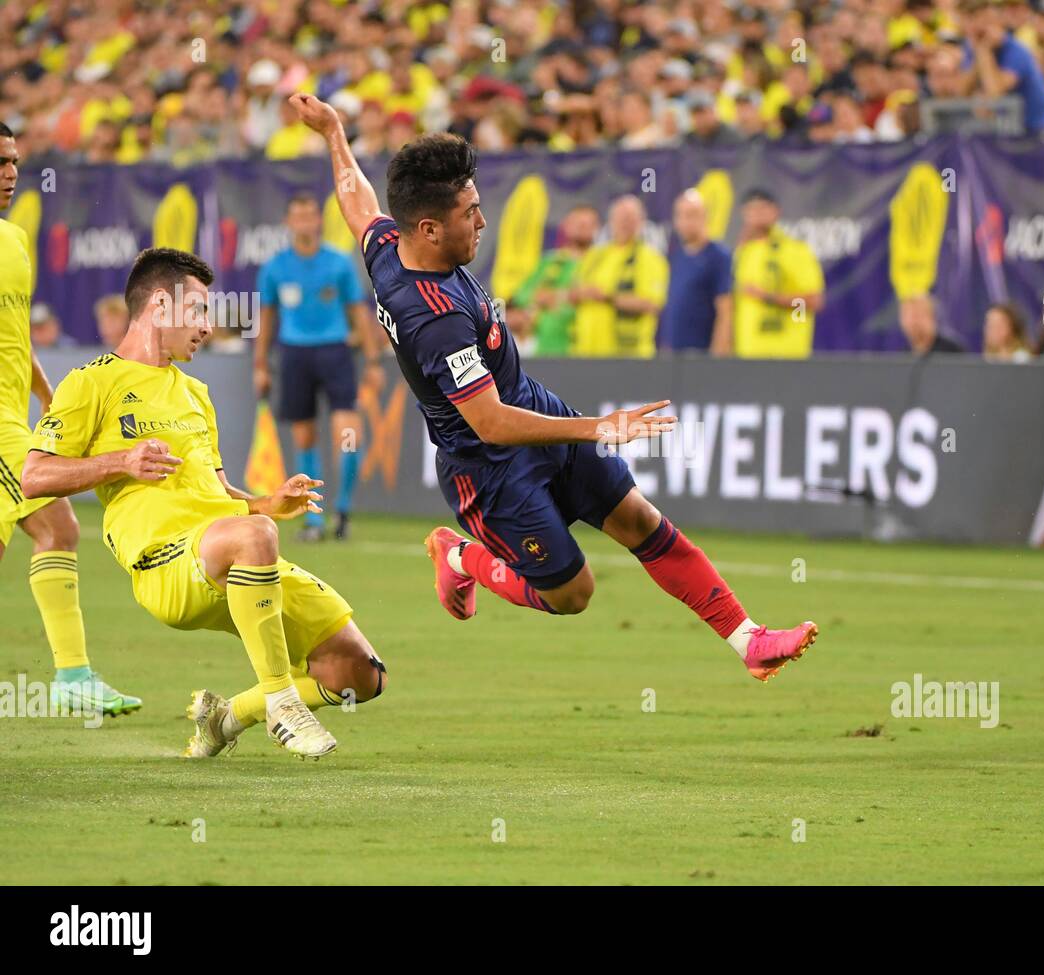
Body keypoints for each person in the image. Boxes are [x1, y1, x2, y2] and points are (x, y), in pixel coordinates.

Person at [292, 92, 817, 683]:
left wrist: (335, 133)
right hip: (488, 466)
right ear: (430, 227)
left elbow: (357, 203)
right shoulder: (432, 319)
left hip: (536, 412)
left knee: (640, 521)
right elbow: (488, 421)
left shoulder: (390, 249)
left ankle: (748, 639)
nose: (482, 222)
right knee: (573, 592)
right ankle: (462, 554)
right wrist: (599, 426)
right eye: (470, 213)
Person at [23, 247, 385, 760]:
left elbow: (218, 493)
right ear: (159, 307)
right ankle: (282, 702)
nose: (207, 326)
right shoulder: (91, 383)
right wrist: (120, 462)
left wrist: (264, 503)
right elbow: (34, 475)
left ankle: (224, 719)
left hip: (231, 550)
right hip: (165, 566)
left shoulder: (196, 392)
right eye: (197, 311)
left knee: (358, 674)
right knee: (254, 537)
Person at [0, 121, 141, 718]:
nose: (9, 172)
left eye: (13, 161)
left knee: (54, 533)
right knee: (58, 527)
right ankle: (72, 675)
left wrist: (48, 394)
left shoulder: (14, 241)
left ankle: (73, 676)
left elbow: (16, 334)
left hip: (14, 414)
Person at [253, 193, 385, 542]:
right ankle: (314, 519)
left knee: (348, 434)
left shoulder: (338, 263)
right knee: (304, 438)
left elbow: (359, 312)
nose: (305, 223)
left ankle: (342, 509)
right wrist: (260, 365)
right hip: (294, 355)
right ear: (289, 222)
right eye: (298, 216)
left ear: (318, 221)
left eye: (310, 216)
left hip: (334, 352)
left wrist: (372, 359)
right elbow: (266, 319)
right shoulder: (275, 267)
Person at [571, 195, 668, 358]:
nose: (625, 223)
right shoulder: (595, 256)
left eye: (630, 218)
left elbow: (652, 304)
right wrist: (582, 293)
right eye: (621, 218)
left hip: (629, 356)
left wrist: (608, 297)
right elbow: (572, 292)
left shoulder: (650, 258)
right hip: (585, 352)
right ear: (611, 221)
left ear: (641, 222)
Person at [731, 188, 825, 359]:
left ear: (776, 211)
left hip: (787, 354)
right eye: (751, 209)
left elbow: (810, 302)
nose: (757, 214)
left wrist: (770, 298)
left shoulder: (795, 251)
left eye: (762, 208)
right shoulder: (742, 253)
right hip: (748, 355)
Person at [508, 205, 599, 357]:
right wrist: (538, 298)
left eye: (587, 224)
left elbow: (595, 293)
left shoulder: (603, 260)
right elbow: (523, 295)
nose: (582, 228)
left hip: (590, 349)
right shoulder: (550, 261)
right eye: (578, 223)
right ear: (566, 226)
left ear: (597, 227)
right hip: (548, 348)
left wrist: (559, 297)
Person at [959, 0, 1044, 134]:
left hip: (1039, 132)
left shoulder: (1017, 51)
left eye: (986, 22)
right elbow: (961, 92)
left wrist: (984, 52)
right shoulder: (973, 48)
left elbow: (995, 95)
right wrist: (980, 53)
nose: (975, 27)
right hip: (1010, 131)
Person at [660, 189, 733, 355]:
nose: (686, 222)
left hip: (701, 355)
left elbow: (725, 310)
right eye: (681, 215)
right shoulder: (676, 256)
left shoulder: (718, 256)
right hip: (674, 356)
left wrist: (717, 357)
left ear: (705, 217)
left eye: (692, 215)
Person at [900, 294, 966, 355]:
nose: (913, 323)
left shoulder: (952, 349)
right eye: (907, 316)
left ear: (932, 318)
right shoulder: (905, 355)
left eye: (917, 316)